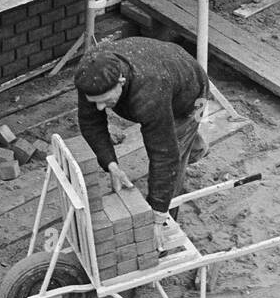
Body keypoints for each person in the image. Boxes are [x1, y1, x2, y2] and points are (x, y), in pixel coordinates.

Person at [75, 38, 210, 249]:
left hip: (191, 95)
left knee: (175, 149)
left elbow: (164, 156)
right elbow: (90, 122)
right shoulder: (90, 74)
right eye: (95, 102)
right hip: (165, 71)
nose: (101, 108)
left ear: (120, 81)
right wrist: (111, 164)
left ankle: (166, 225)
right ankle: (196, 146)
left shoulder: (149, 90)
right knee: (172, 135)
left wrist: (157, 214)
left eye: (106, 100)